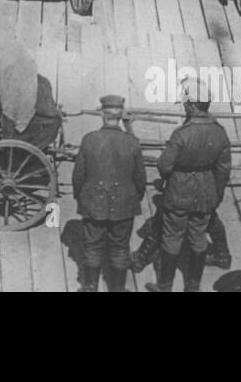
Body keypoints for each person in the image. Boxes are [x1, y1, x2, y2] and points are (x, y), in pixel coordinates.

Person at [150, 78, 231, 293]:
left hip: (178, 192)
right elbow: (223, 170)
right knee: (198, 238)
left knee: (172, 238)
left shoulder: (182, 134)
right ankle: (193, 286)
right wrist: (216, 196)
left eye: (186, 103)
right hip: (206, 194)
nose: (185, 106)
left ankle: (165, 285)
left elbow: (164, 166)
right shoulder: (220, 132)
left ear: (192, 105)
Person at [72, 94, 146, 292]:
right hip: (124, 204)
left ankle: (89, 287)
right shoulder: (132, 142)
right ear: (121, 116)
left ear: (102, 115)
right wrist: (132, 198)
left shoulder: (89, 140)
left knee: (93, 247)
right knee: (120, 248)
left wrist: (83, 198)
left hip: (93, 202)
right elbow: (140, 179)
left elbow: (78, 176)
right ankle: (118, 289)